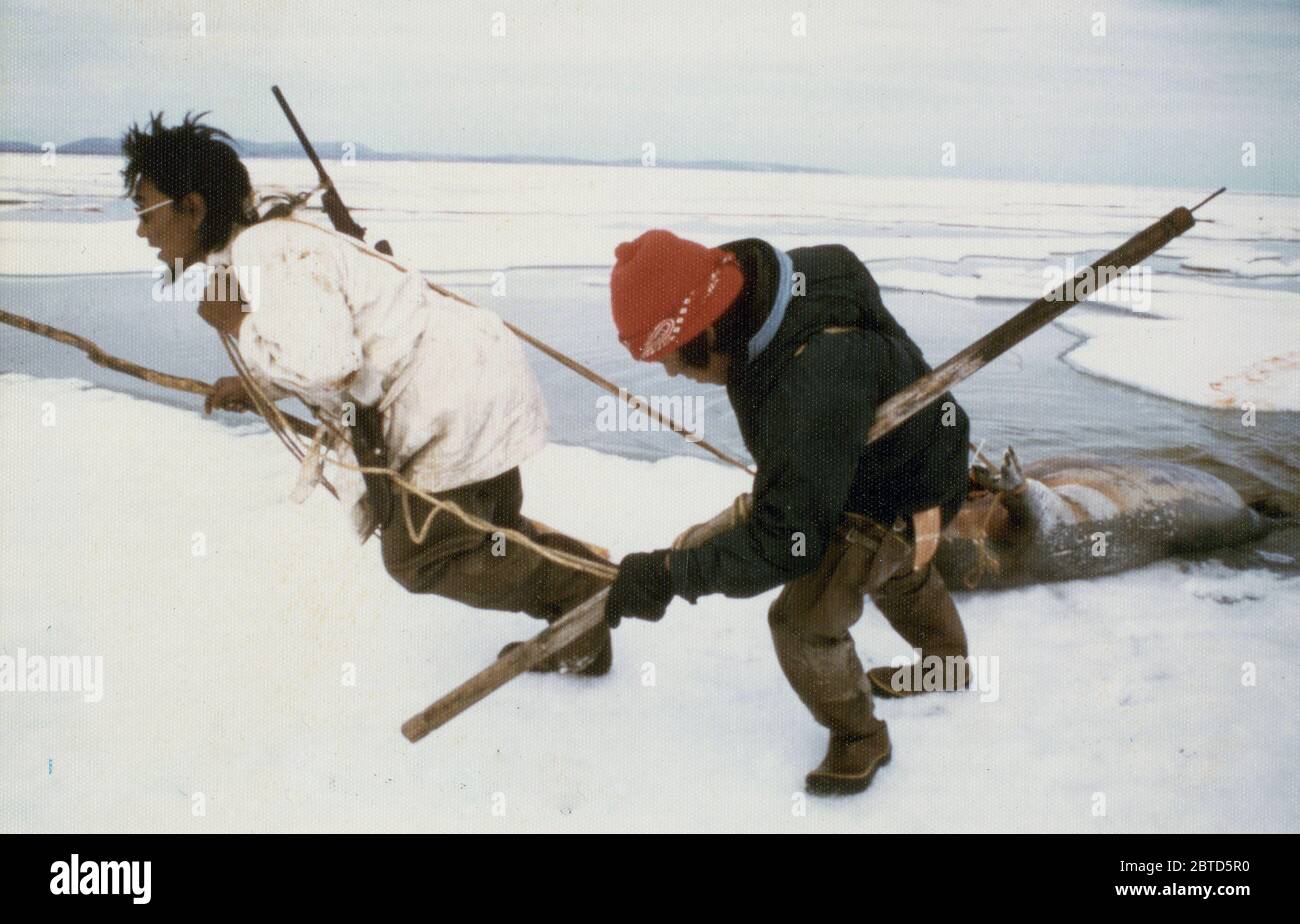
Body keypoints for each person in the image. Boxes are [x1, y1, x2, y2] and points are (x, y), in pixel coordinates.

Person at [122, 112, 611, 673]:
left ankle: (584, 597)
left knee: (422, 556)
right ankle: (583, 629)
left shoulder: (265, 251)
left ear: (193, 206)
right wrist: (259, 384)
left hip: (447, 398)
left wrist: (239, 327)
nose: (142, 230)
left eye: (145, 210)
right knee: (486, 529)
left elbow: (329, 363)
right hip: (472, 374)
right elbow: (328, 337)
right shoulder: (276, 236)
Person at [602, 230, 972, 794]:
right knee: (892, 567)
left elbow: (786, 544)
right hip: (888, 452)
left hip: (894, 490)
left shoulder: (809, 383)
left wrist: (673, 576)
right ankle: (947, 662)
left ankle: (858, 735)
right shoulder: (802, 276)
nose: (672, 374)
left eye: (669, 358)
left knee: (806, 619)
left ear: (703, 331)